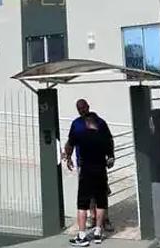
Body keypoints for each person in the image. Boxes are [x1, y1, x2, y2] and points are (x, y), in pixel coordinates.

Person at [64, 102, 115, 246]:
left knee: (82, 203)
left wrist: (68, 157)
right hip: (100, 168)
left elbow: (70, 143)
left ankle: (82, 236)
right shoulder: (101, 126)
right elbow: (109, 141)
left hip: (86, 168)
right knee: (101, 199)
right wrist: (111, 156)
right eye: (79, 109)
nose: (81, 111)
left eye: (83, 108)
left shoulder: (79, 128)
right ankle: (98, 231)